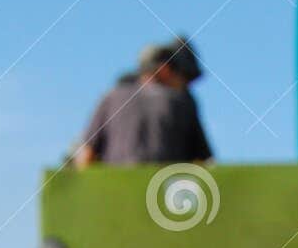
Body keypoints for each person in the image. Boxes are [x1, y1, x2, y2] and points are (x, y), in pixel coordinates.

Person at [74, 37, 213, 168]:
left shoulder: (111, 96)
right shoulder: (182, 101)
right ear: (165, 70)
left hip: (116, 189)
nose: (185, 85)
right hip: (163, 190)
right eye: (182, 77)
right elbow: (204, 162)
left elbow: (85, 157)